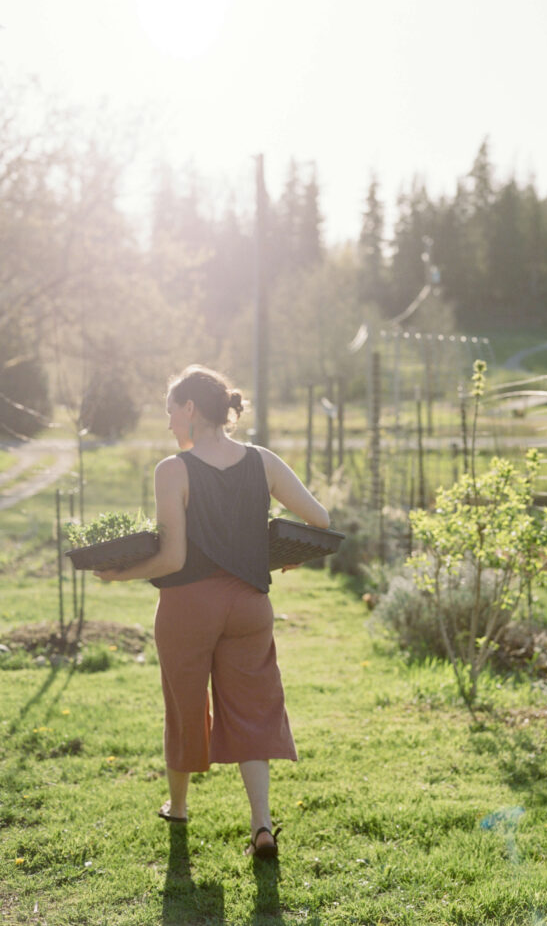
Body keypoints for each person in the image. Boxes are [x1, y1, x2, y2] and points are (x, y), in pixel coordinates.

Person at [94, 364, 330, 859]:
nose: (167, 424)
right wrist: (285, 556)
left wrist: (119, 574)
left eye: (169, 413)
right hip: (249, 605)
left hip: (188, 606)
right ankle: (262, 825)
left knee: (184, 707)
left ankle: (178, 809)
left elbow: (173, 558)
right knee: (253, 708)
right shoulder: (263, 461)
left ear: (190, 409)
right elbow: (320, 520)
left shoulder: (172, 470)